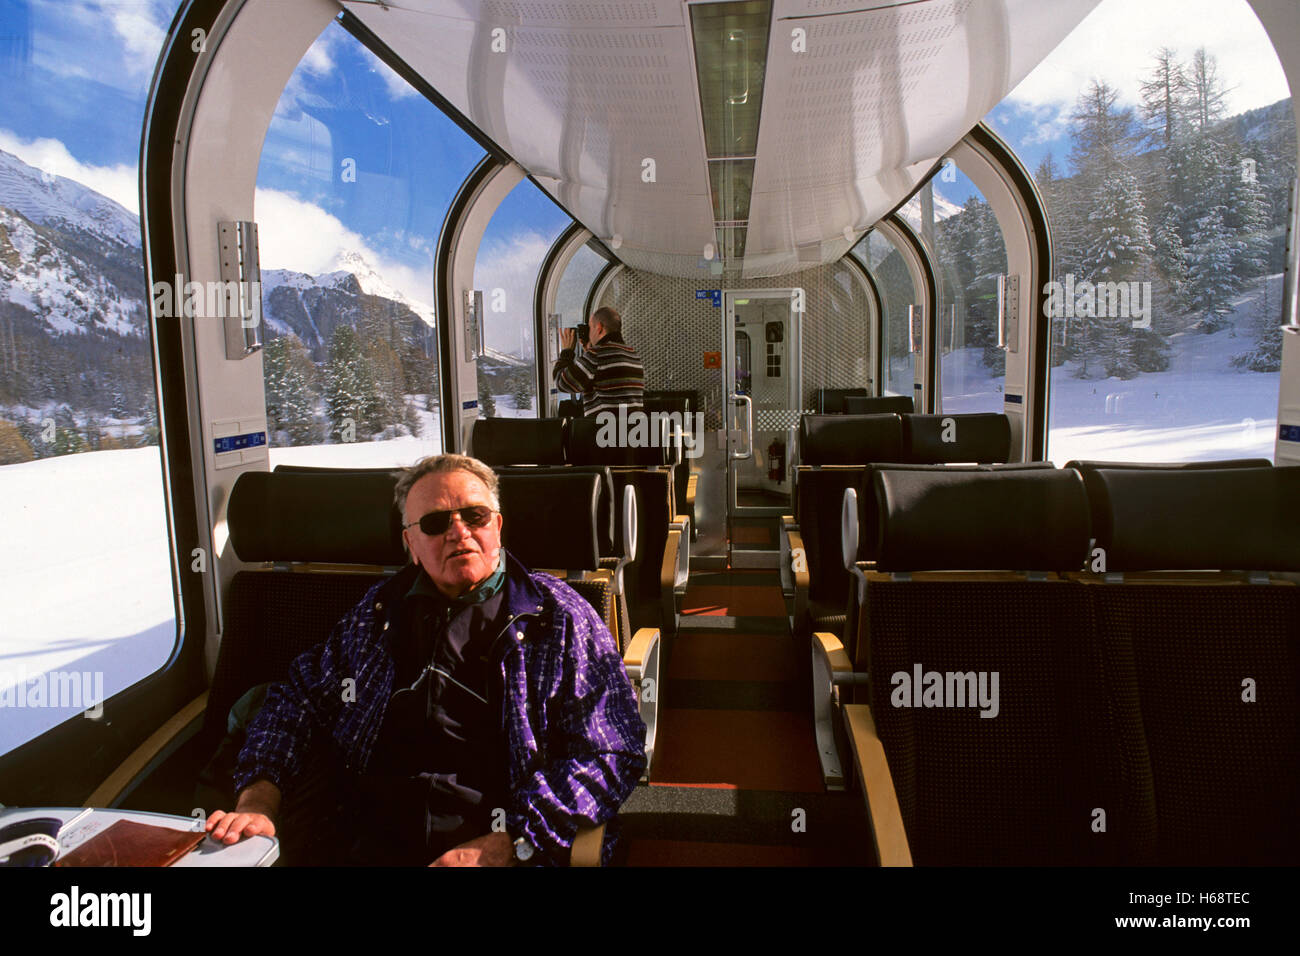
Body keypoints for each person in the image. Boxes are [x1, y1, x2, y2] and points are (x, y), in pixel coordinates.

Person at [204, 454, 647, 866]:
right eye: (435, 523)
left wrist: (512, 842)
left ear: (497, 526)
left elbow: (611, 752)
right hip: (363, 836)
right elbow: (298, 699)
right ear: (410, 543)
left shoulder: (559, 617)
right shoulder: (378, 612)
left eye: (474, 516)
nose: (458, 532)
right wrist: (260, 797)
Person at [553, 306, 645, 417]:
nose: (589, 334)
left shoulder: (597, 354)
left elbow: (562, 383)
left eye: (591, 328)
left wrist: (566, 353)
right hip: (631, 431)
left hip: (603, 431)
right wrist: (588, 352)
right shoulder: (633, 354)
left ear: (599, 328)